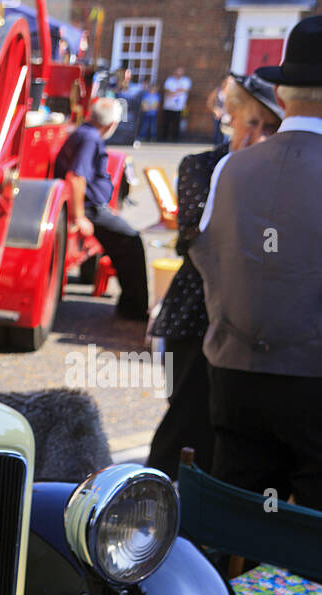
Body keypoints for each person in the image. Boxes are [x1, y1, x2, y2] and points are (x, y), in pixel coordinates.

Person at [190, 15, 322, 509]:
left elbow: (208, 255)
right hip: (313, 380)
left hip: (235, 373)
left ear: (283, 96)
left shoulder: (230, 166)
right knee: (309, 531)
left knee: (238, 514)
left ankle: (230, 588)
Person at [146, 74, 282, 477]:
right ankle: (150, 510)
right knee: (184, 419)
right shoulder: (201, 166)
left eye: (270, 127)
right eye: (251, 122)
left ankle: (210, 524)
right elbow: (194, 238)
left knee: (230, 429)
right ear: (233, 117)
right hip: (195, 311)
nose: (257, 136)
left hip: (251, 320)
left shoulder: (281, 177)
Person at [53, 97, 149, 319]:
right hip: (90, 209)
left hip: (94, 206)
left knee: (128, 240)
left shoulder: (86, 133)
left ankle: (131, 304)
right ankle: (133, 308)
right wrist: (79, 217)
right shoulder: (90, 138)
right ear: (111, 125)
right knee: (131, 240)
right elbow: (76, 177)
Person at [162, 66, 191, 141]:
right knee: (166, 122)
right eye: (177, 71)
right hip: (168, 105)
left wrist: (175, 92)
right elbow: (166, 89)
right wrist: (175, 92)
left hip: (179, 106)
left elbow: (186, 89)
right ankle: (164, 137)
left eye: (180, 72)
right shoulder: (170, 80)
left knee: (177, 123)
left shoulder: (186, 80)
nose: (179, 73)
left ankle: (175, 138)